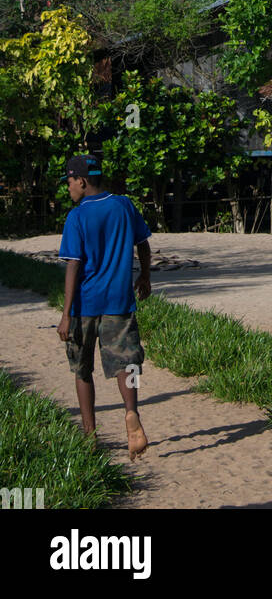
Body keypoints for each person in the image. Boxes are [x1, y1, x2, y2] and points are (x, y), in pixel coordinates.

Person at [56, 154, 152, 461]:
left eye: (69, 182)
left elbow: (73, 264)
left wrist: (66, 313)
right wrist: (145, 276)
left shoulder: (77, 216)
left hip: (85, 305)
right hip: (119, 302)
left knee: (83, 370)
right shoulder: (124, 205)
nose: (68, 188)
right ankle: (131, 413)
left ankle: (90, 436)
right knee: (127, 363)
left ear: (82, 181)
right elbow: (143, 243)